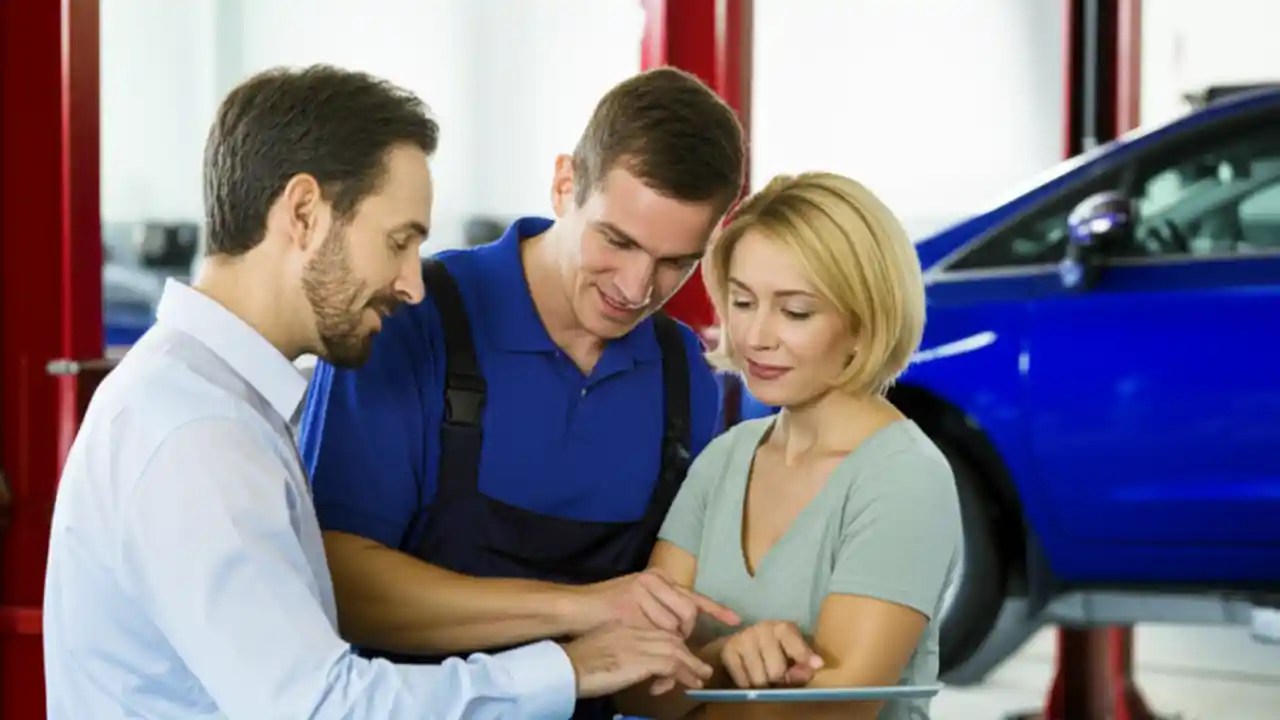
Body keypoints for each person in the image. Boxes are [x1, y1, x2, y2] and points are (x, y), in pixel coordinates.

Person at [42, 64, 713, 720]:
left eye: (676, 262)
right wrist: (569, 664)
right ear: (303, 213)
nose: (412, 285)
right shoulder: (198, 436)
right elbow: (322, 705)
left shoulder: (218, 406)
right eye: (397, 243)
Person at [297, 67, 747, 719]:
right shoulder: (408, 320)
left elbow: (667, 629)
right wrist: (583, 610)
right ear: (565, 184)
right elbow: (337, 587)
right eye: (617, 240)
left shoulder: (686, 376)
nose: (636, 287)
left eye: (676, 262)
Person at [614, 172, 963, 720]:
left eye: (795, 311)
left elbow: (836, 712)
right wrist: (725, 659)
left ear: (865, 322)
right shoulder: (725, 459)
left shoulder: (904, 479)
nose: (756, 336)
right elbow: (633, 683)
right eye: (742, 302)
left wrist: (693, 677)